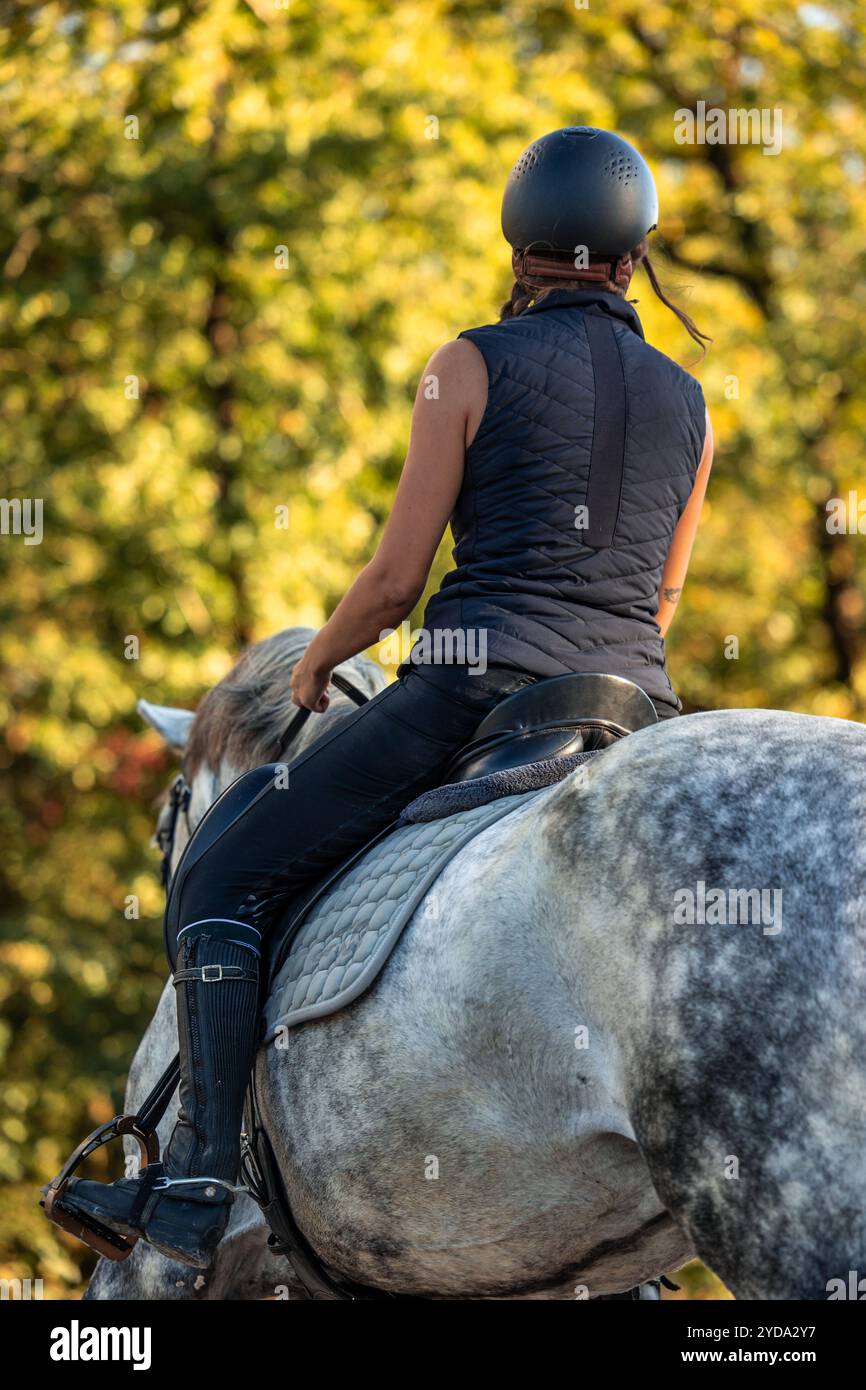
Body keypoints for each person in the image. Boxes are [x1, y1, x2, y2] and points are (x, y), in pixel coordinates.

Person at [56, 127, 714, 1266]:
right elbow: (660, 597)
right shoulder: (689, 398)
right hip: (631, 706)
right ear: (632, 254)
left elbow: (395, 580)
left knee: (218, 868)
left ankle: (197, 1184)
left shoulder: (465, 364)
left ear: (518, 240)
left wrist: (318, 665)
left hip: (473, 688)